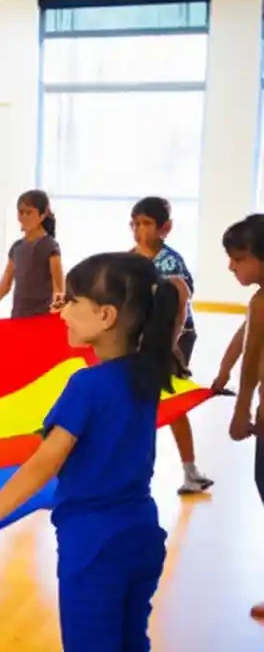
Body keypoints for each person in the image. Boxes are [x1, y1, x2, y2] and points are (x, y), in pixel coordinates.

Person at [0, 252, 180, 651]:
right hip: (141, 531)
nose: (62, 311)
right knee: (130, 640)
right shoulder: (147, 373)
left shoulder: (86, 386)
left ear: (106, 316)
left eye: (72, 300)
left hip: (93, 543)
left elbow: (43, 464)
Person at [129, 196, 212, 495]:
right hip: (142, 337)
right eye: (135, 224)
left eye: (147, 224)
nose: (140, 230)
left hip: (174, 338)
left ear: (165, 228)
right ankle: (135, 469)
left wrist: (172, 346)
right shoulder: (130, 258)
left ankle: (191, 470)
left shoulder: (169, 261)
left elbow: (180, 301)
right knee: (140, 400)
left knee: (170, 400)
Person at [215, 213, 264, 620]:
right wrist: (222, 371)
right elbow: (246, 337)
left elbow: (253, 362)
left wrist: (242, 410)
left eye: (241, 258)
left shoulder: (261, 300)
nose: (233, 266)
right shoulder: (258, 304)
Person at [0, 190, 64, 320]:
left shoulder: (50, 246)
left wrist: (58, 314)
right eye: (21, 212)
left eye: (29, 212)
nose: (24, 216)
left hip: (42, 319)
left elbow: (58, 287)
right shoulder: (17, 248)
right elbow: (5, 283)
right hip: (19, 317)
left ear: (42, 215)